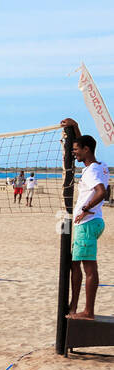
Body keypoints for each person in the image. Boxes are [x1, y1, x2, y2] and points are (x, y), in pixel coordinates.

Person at [68, 133, 108, 320]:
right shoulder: (99, 166)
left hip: (88, 222)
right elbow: (85, 141)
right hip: (91, 222)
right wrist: (75, 127)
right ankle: (73, 305)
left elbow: (102, 191)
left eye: (76, 149)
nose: (73, 152)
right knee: (75, 264)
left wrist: (85, 208)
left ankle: (88, 312)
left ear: (86, 150)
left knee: (89, 268)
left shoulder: (91, 171)